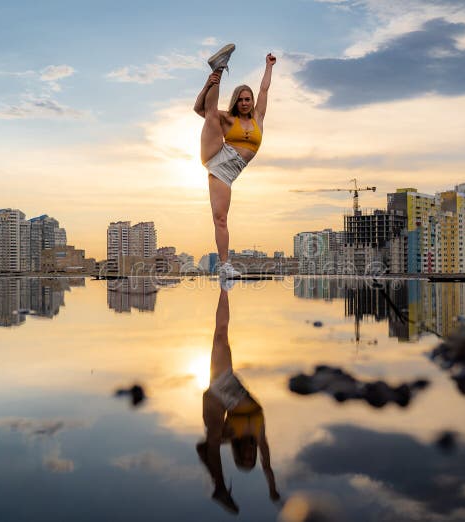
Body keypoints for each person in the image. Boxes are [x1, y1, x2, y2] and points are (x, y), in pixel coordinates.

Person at [194, 44, 276, 279]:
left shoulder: (259, 117)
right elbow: (198, 108)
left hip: (231, 172)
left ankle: (218, 69)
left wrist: (268, 66)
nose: (244, 102)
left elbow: (264, 89)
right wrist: (209, 83)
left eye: (247, 99)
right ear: (236, 102)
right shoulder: (229, 119)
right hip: (217, 159)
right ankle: (224, 265)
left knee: (221, 218)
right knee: (220, 219)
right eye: (240, 99)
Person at [196, 288, 280, 514]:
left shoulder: (231, 433)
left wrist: (215, 441)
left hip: (218, 390)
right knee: (221, 334)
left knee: (220, 334)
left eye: (243, 457)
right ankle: (224, 287)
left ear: (237, 452)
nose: (249, 455)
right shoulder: (259, 434)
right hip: (226, 385)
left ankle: (220, 488)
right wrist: (272, 488)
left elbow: (212, 443)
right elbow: (268, 466)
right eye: (250, 459)